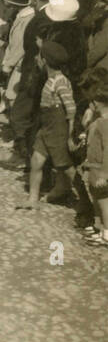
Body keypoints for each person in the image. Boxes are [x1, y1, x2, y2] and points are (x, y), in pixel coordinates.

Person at [21, 39, 75, 211]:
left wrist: (71, 134)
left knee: (65, 166)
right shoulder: (49, 79)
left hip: (58, 129)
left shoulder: (60, 81)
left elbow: (71, 108)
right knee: (36, 160)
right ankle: (32, 198)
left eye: (39, 56)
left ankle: (85, 199)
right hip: (46, 128)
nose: (37, 59)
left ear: (45, 61)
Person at [75, 69, 108, 246]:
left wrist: (104, 173)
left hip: (101, 167)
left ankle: (106, 233)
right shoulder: (99, 120)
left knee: (103, 201)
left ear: (96, 102)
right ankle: (99, 227)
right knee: (96, 197)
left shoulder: (105, 123)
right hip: (94, 165)